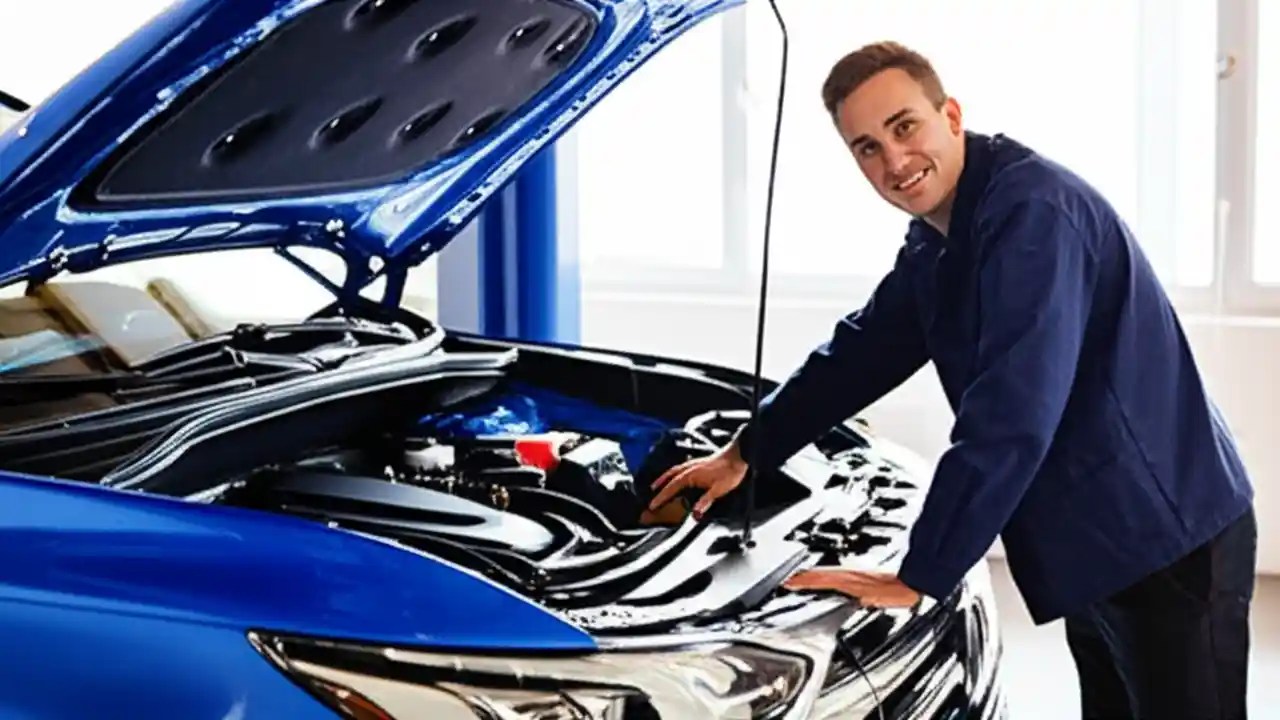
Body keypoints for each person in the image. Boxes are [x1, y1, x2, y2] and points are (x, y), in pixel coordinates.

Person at [647, 41, 1257, 719]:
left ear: (952, 115)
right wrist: (747, 452)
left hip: (1165, 535)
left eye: (904, 127)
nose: (893, 161)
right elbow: (863, 349)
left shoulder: (1032, 217)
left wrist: (923, 571)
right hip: (1098, 536)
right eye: (867, 148)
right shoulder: (941, 234)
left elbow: (1011, 414)